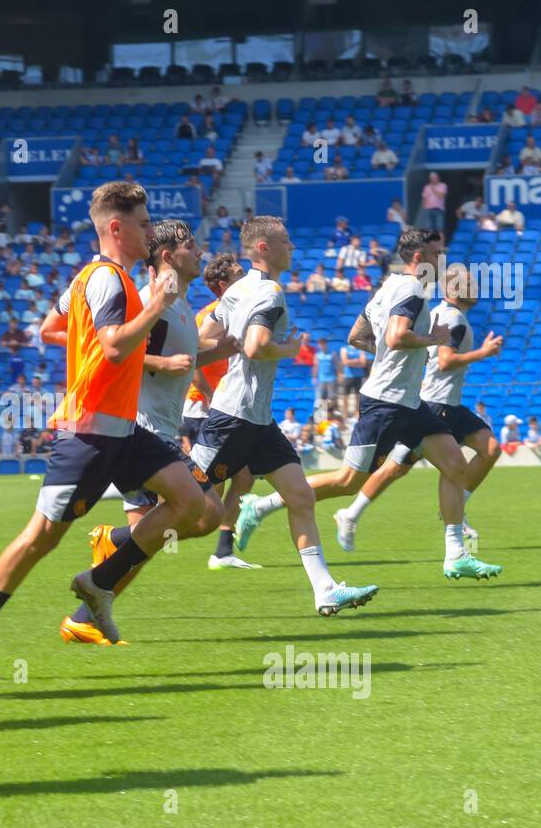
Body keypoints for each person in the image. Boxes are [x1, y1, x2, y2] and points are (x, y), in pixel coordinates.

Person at [0, 181, 206, 674]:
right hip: (87, 433)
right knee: (40, 538)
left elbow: (68, 331)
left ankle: (100, 581)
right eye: (144, 223)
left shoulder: (109, 278)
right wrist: (155, 308)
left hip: (122, 430)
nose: (150, 231)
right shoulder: (108, 279)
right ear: (116, 227)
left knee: (192, 501)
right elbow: (111, 347)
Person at [238, 229, 503, 582]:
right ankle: (260, 505)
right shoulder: (411, 289)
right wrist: (430, 341)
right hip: (387, 402)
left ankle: (456, 555)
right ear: (419, 257)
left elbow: (357, 336)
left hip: (410, 402)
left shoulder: (388, 287)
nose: (443, 260)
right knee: (349, 481)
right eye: (438, 253)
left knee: (454, 462)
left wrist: (390, 358)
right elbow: (396, 336)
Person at [56, 219, 239, 645]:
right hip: (140, 429)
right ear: (168, 256)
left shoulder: (179, 306)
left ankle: (95, 587)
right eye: (191, 245)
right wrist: (165, 364)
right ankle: (92, 597)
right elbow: (119, 354)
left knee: (159, 534)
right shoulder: (148, 302)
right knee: (194, 517)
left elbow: (178, 355)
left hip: (160, 431)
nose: (200, 251)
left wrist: (218, 350)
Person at [192, 216, 379, 616]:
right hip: (233, 416)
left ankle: (325, 589)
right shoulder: (271, 292)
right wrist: (289, 351)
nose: (292, 247)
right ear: (263, 248)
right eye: (285, 241)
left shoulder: (238, 290)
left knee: (300, 495)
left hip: (257, 419)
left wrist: (231, 346)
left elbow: (205, 338)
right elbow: (258, 347)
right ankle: (121, 542)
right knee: (191, 510)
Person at [331, 263, 505, 550]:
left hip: (438, 402)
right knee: (396, 468)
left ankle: (352, 514)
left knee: (400, 467)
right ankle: (453, 519)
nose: (476, 288)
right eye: (471, 283)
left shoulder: (440, 313)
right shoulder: (455, 320)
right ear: (456, 288)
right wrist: (483, 353)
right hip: (438, 404)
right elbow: (446, 361)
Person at [178, 253, 259, 570]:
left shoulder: (236, 310)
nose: (246, 276)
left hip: (221, 406)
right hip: (204, 408)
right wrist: (211, 397)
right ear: (223, 284)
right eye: (240, 273)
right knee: (201, 490)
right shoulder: (214, 314)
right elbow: (193, 357)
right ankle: (138, 536)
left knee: (240, 477)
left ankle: (222, 551)